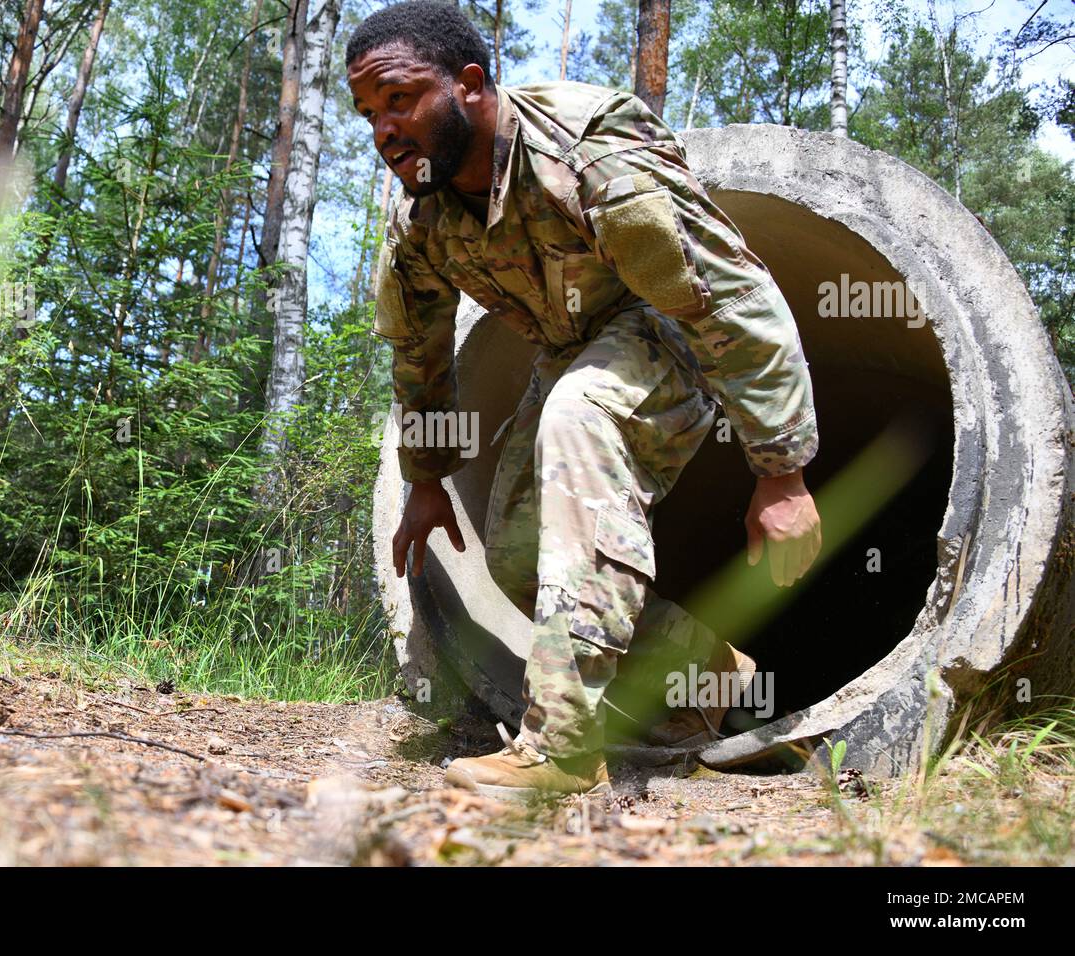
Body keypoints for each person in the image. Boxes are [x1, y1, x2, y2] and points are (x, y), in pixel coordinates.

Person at [346, 0, 823, 801]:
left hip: (670, 329)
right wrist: (426, 480)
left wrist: (781, 470)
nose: (384, 129)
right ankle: (720, 687)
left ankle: (561, 748)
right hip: (569, 353)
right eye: (367, 113)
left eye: (400, 99)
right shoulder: (421, 216)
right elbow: (419, 352)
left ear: (468, 84)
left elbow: (729, 294)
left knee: (581, 411)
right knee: (517, 554)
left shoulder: (590, 150)